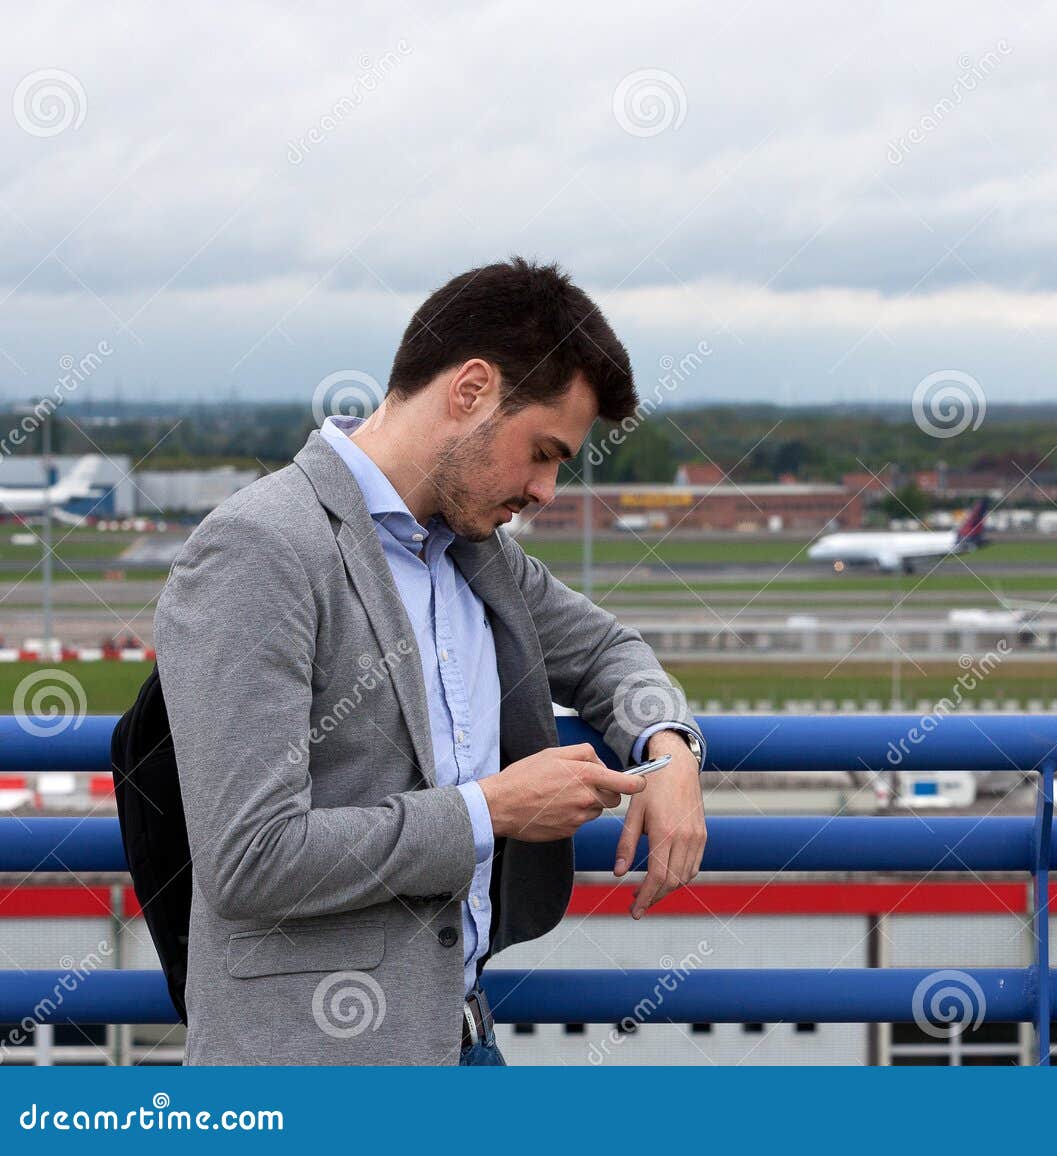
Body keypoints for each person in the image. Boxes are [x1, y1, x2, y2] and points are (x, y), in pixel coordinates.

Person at [154, 257, 707, 1065]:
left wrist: (670, 747)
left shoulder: (478, 553)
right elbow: (251, 861)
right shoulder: (261, 547)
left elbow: (610, 655)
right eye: (544, 452)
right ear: (472, 390)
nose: (548, 490)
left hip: (460, 1041)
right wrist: (491, 810)